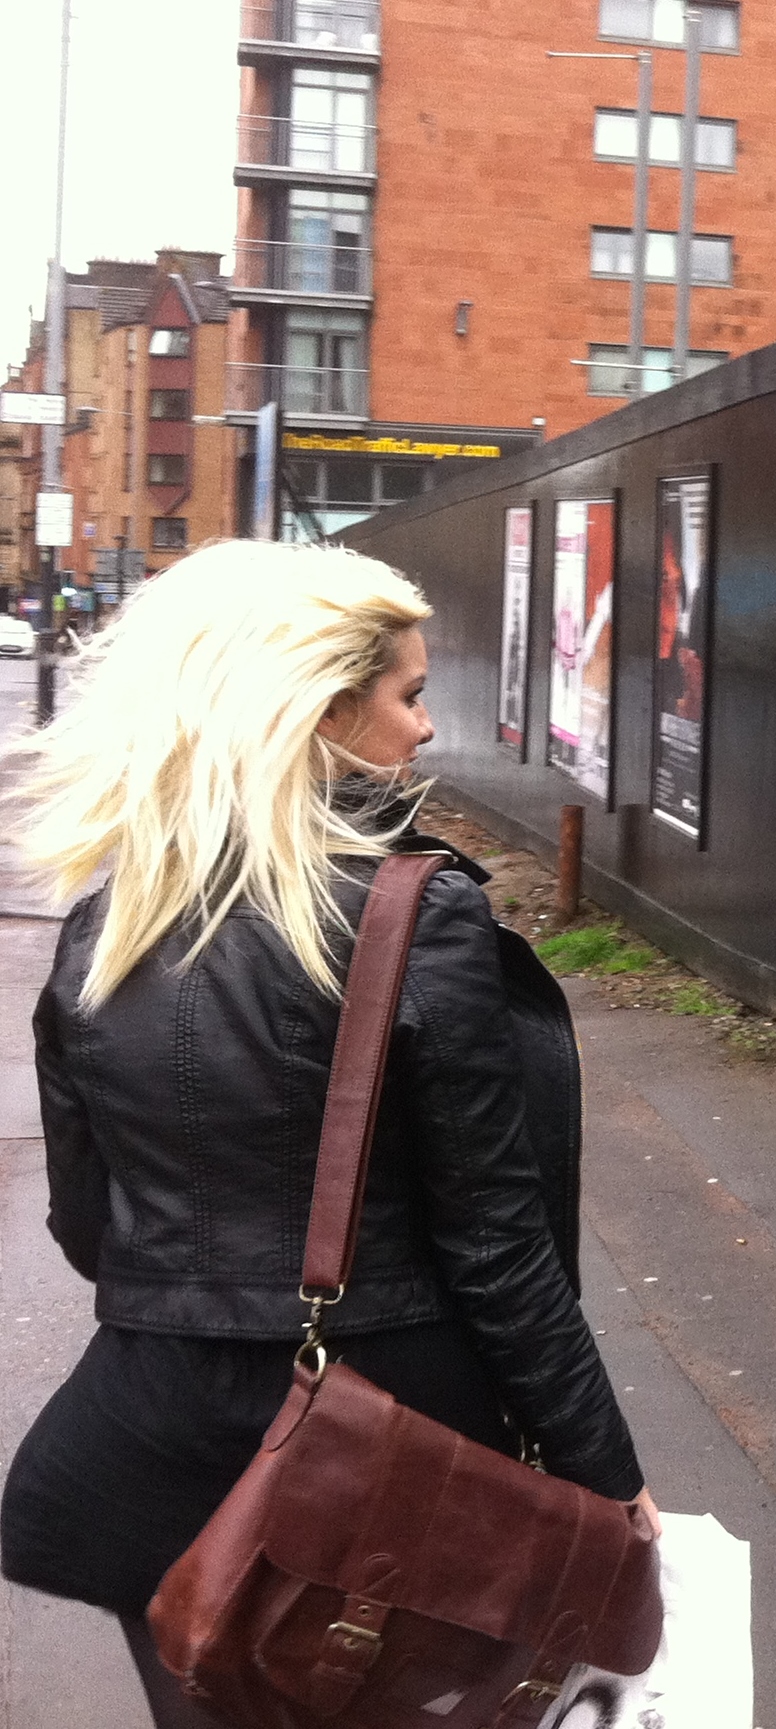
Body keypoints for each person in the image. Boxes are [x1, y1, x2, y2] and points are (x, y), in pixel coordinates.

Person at [0, 540, 655, 1724]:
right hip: (382, 1455)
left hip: (150, 1446)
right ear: (321, 710)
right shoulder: (417, 915)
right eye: (408, 694)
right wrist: (604, 1473)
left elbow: (89, 1221)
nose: (426, 728)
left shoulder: (110, 915)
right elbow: (497, 1246)